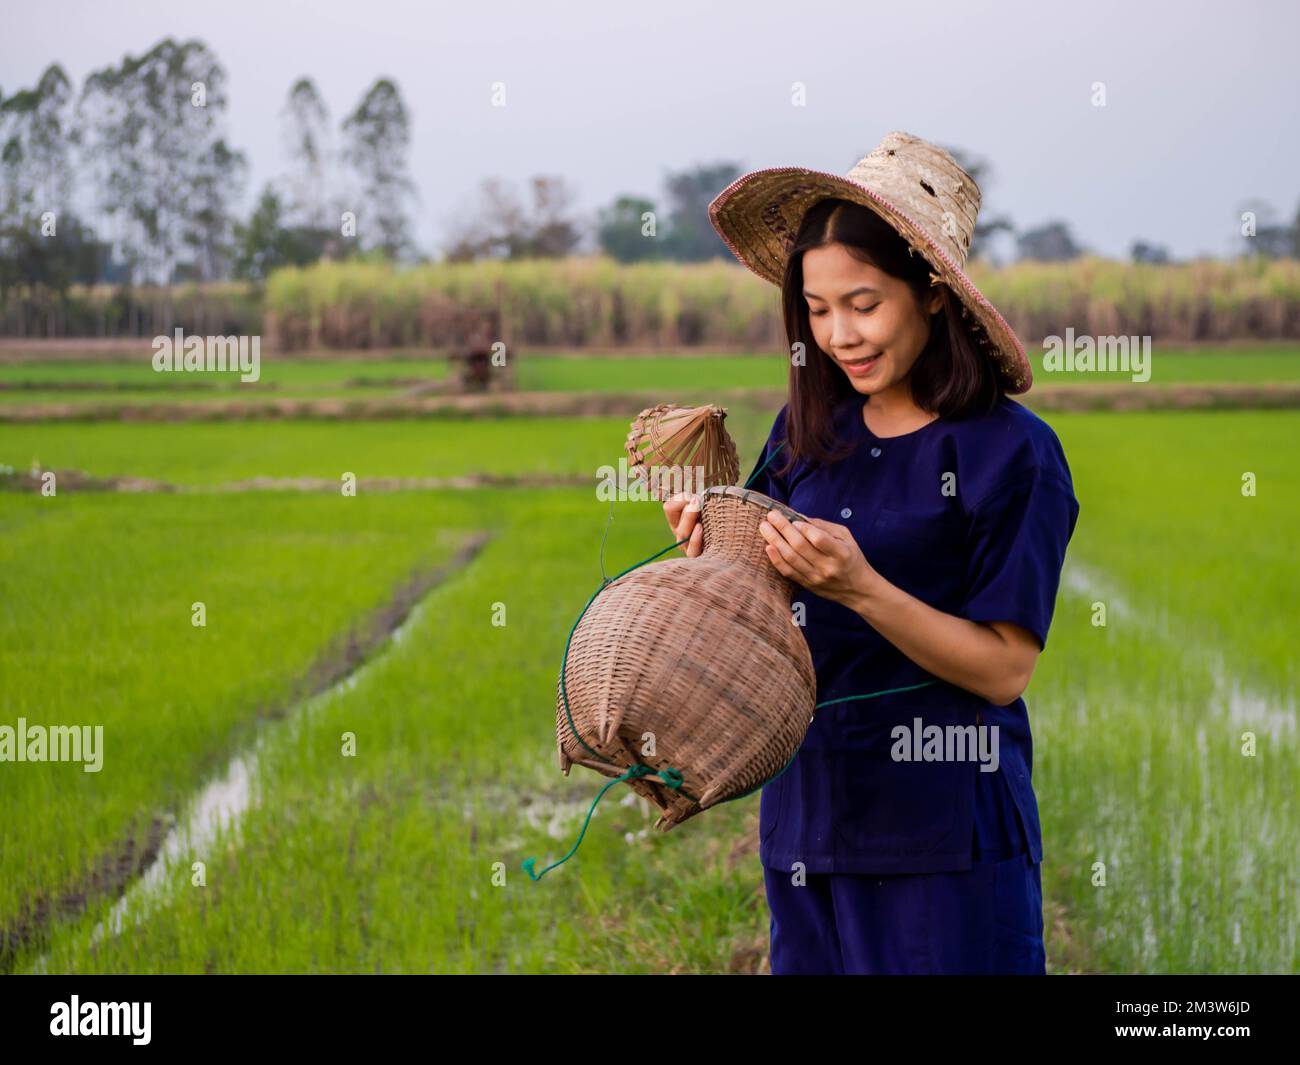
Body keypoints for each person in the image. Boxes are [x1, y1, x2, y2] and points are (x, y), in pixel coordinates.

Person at [663, 132, 1079, 974]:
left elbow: (1003, 669)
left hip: (944, 839)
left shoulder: (1011, 454)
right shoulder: (808, 435)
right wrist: (713, 549)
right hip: (809, 818)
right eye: (816, 311)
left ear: (931, 295)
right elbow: (762, 602)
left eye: (863, 303)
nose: (839, 335)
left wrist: (860, 586)